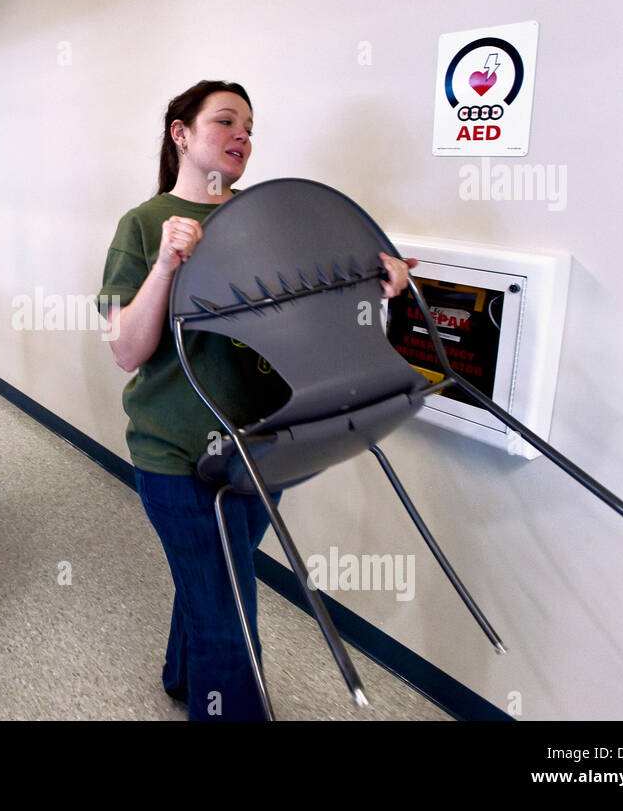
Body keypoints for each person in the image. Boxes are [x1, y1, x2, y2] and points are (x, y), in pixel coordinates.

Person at [100, 80, 415, 720]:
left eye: (249, 126)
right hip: (175, 451)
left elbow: (317, 320)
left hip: (264, 448)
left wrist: (379, 293)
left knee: (217, 584)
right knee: (231, 618)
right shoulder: (141, 225)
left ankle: (183, 677)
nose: (242, 135)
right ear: (180, 134)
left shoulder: (272, 221)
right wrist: (165, 267)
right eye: (225, 121)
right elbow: (124, 349)